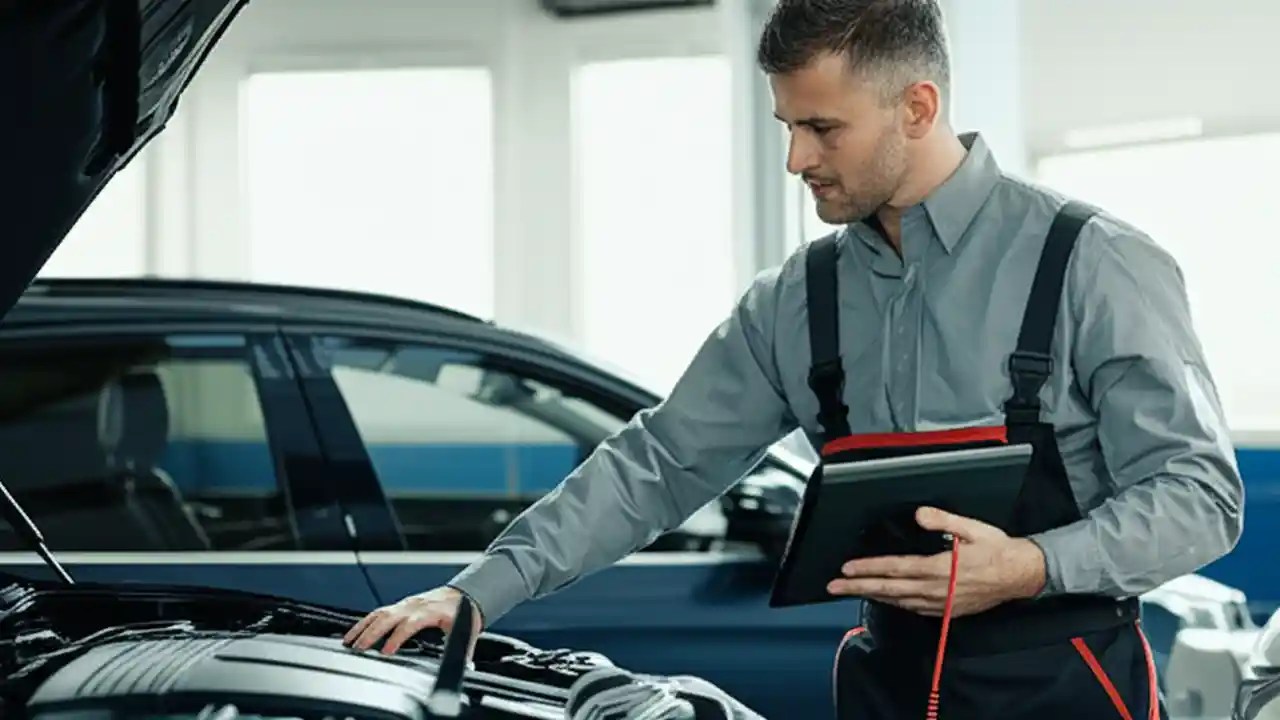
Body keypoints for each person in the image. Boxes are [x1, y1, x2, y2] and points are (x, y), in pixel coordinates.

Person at [343, 1, 1244, 717]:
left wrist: (1036, 565)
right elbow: (654, 464)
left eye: (821, 128)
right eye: (785, 125)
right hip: (880, 685)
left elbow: (1201, 499)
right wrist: (475, 595)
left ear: (917, 106)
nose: (794, 158)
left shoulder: (1094, 260)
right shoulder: (794, 298)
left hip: (1065, 683)